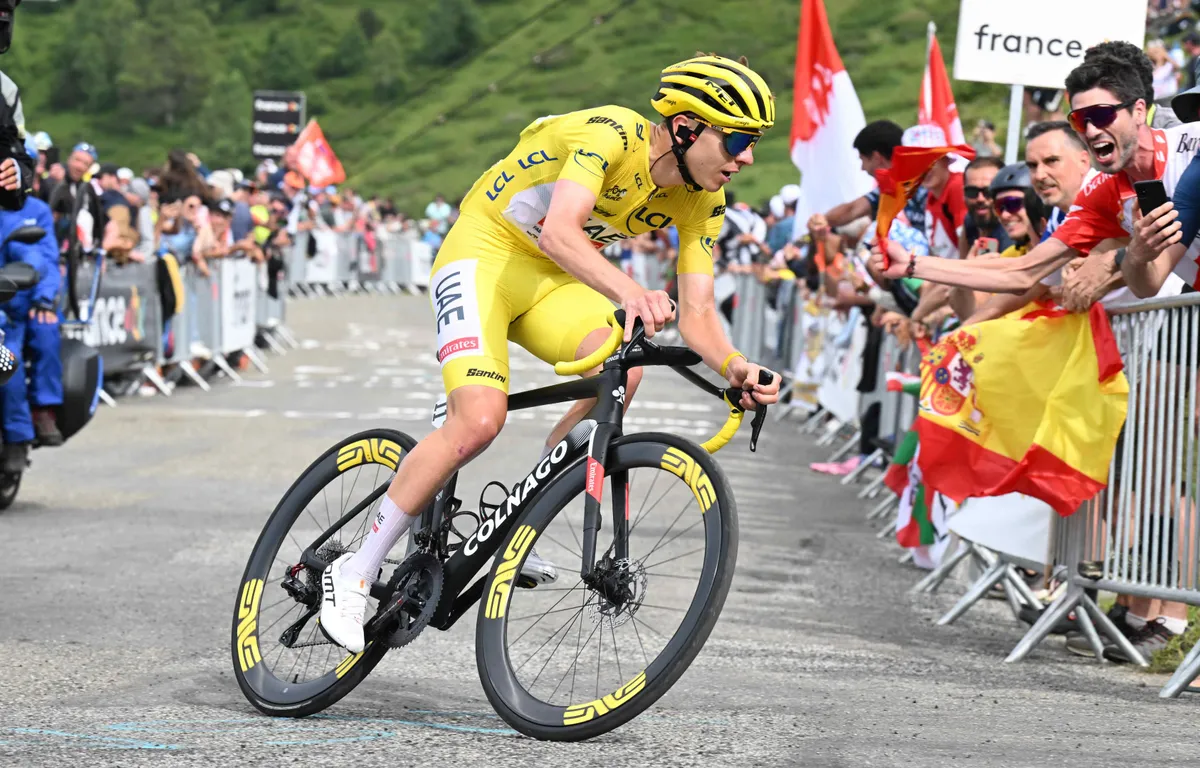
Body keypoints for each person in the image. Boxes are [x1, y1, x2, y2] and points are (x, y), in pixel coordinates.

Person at [319, 54, 783, 654]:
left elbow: (697, 314)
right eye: (739, 139)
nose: (747, 158)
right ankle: (354, 568)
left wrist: (736, 366)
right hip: (484, 253)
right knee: (481, 421)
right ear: (689, 126)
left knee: (623, 372)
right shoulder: (611, 134)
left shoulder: (701, 200)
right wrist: (631, 292)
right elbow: (561, 232)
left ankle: (525, 521)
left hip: (549, 282)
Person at [0, 189, 60, 471]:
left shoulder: (11, 221)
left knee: (7, 366)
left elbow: (34, 257)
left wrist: (40, 291)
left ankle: (17, 439)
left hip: (7, 311)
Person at [808, 120, 927, 238]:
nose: (862, 168)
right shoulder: (891, 188)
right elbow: (852, 209)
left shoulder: (925, 185)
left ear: (876, 157)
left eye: (862, 160)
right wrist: (822, 220)